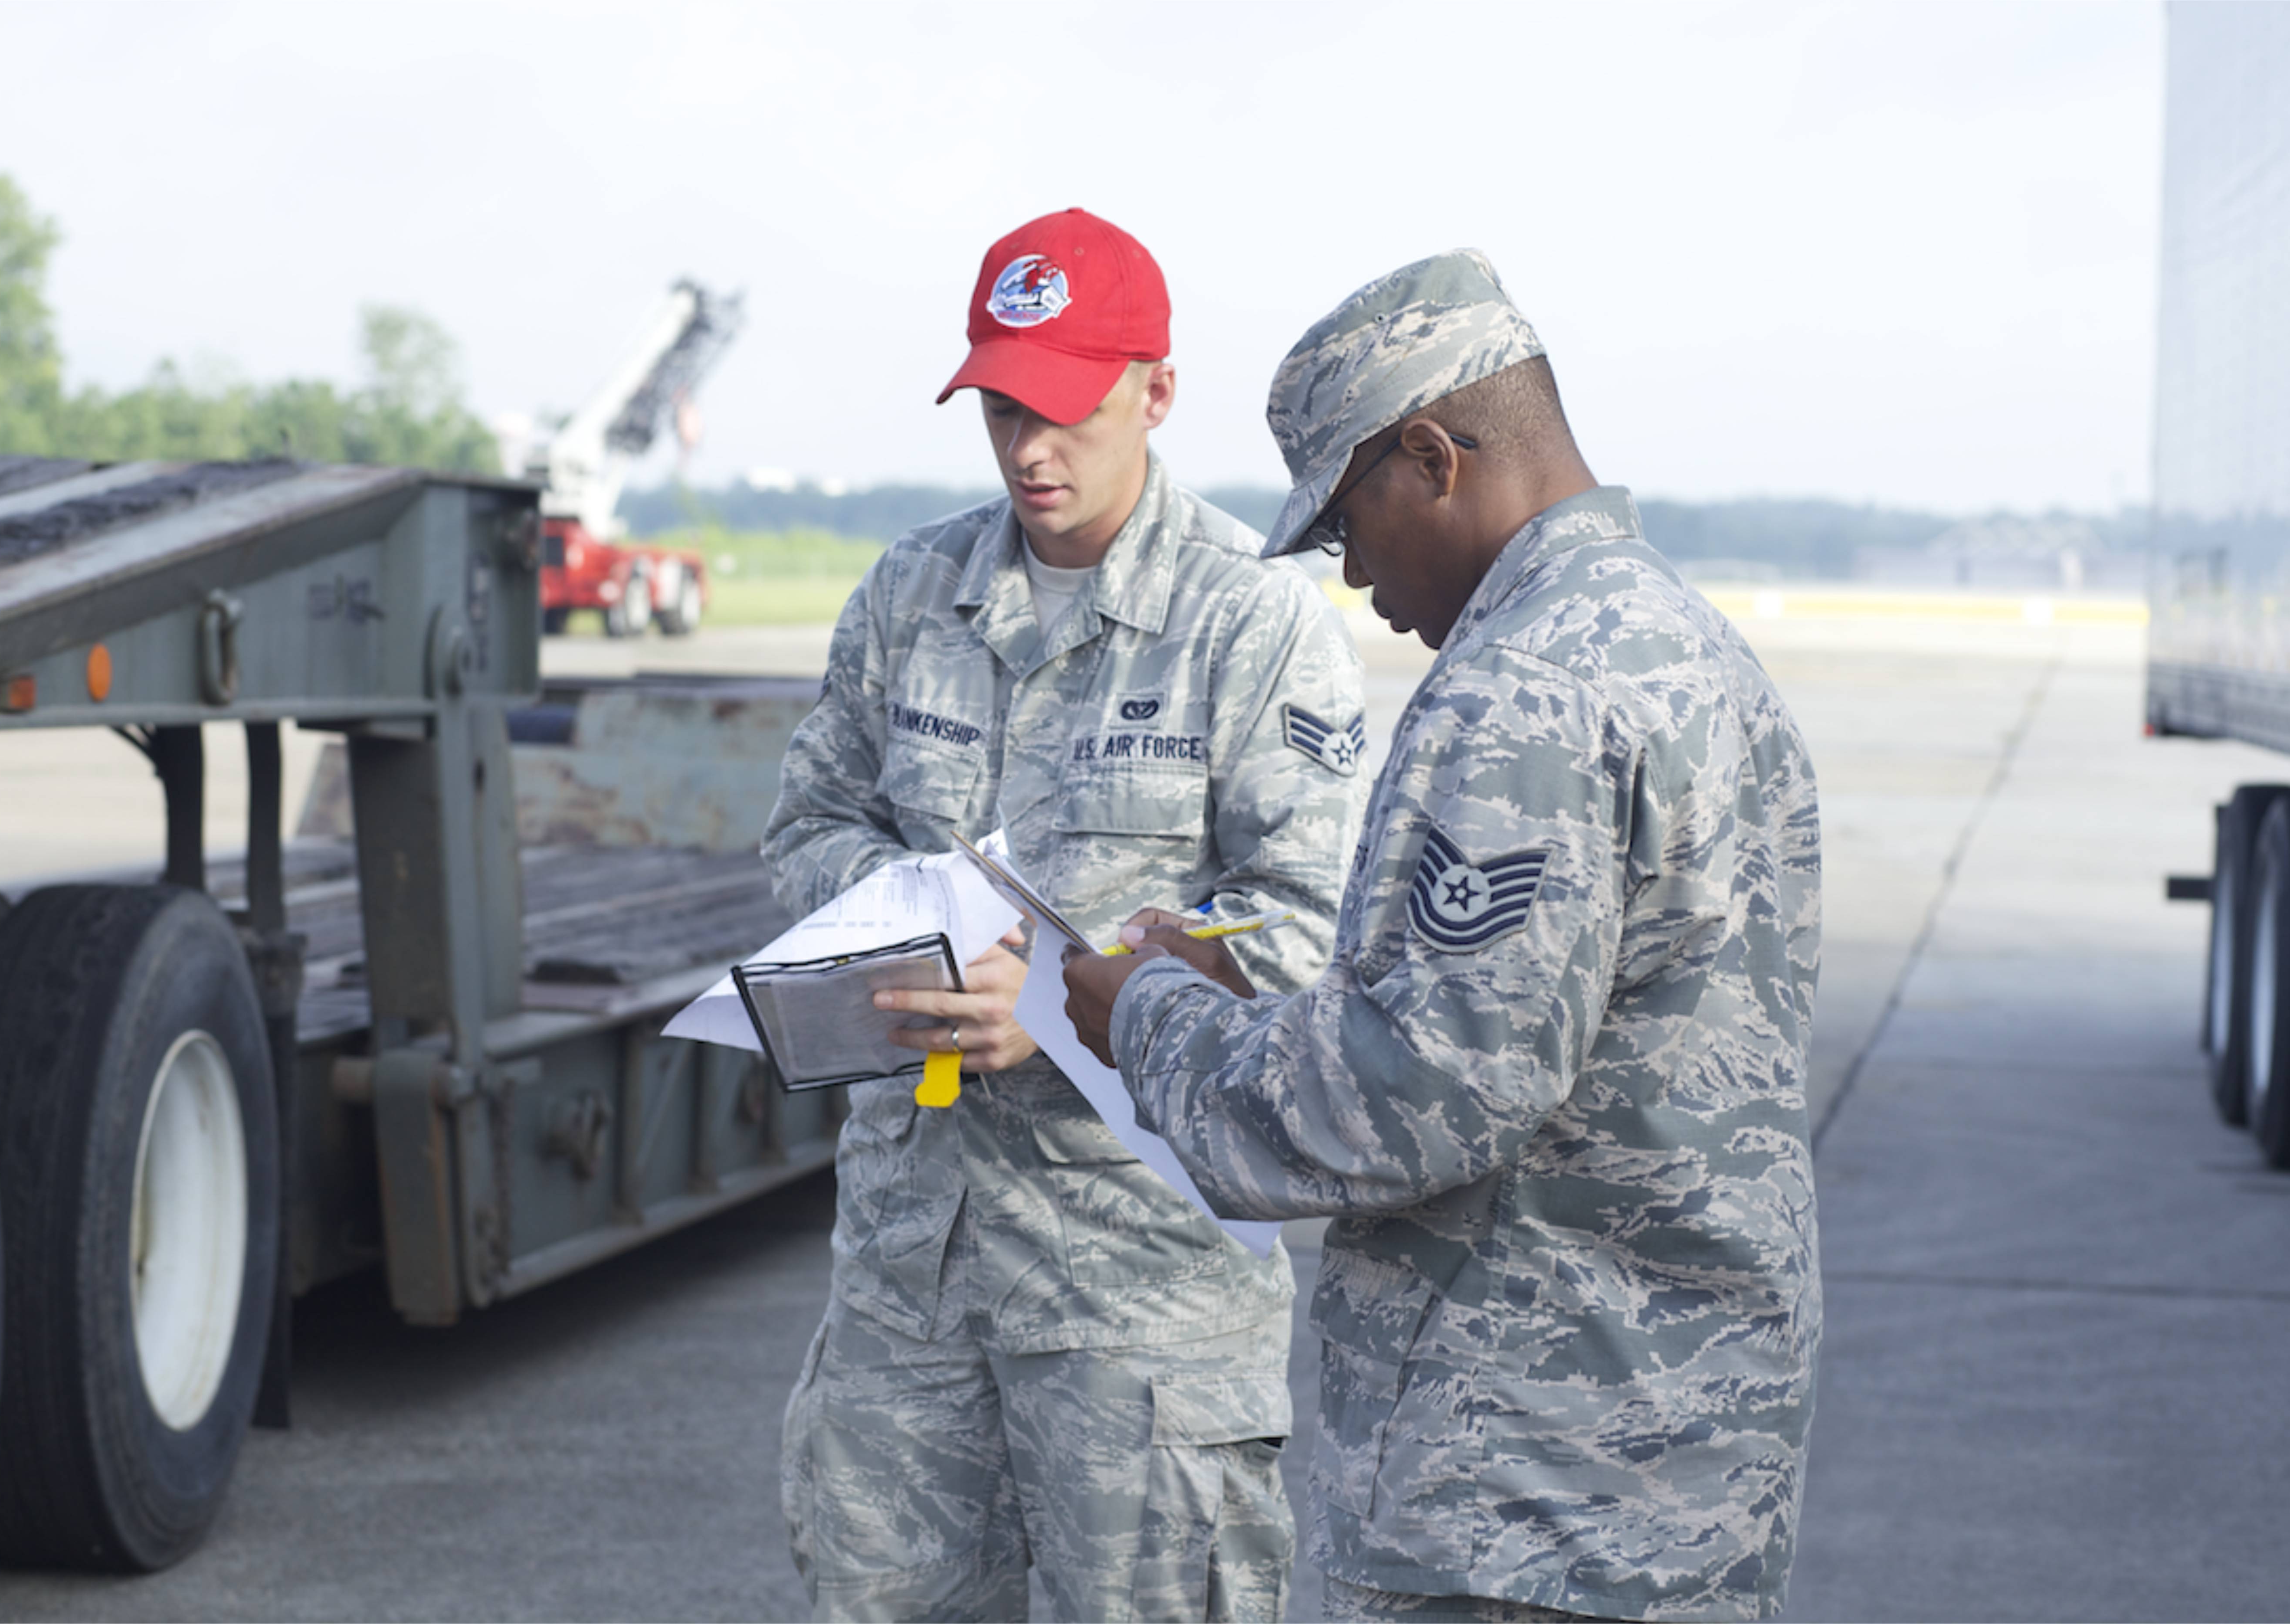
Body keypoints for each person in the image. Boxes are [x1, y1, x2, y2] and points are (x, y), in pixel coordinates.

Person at [1062, 251, 1824, 1623]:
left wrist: (1151, 1021)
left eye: (1350, 520)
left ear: (1433, 456)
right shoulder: (1683, 644)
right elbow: (1563, 1038)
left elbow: (1408, 1106)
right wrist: (1252, 998)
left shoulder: (1519, 691)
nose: (1352, 574)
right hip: (1673, 1472)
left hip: (1522, 1500)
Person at [761, 206, 1370, 1623]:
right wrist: (904, 937)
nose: (1029, 449)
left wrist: (1066, 989)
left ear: (1154, 392)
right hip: (912, 1276)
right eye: (999, 408)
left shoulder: (1251, 619)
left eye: (1065, 409)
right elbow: (807, 829)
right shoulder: (913, 595)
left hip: (1141, 1293)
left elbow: (1308, 922)